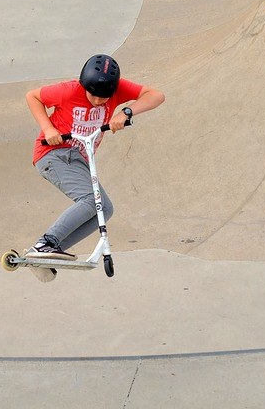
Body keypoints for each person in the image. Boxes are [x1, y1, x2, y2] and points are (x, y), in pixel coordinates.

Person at [23, 54, 165, 281]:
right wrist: (48, 128)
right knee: (90, 200)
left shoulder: (118, 90)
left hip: (79, 159)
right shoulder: (69, 90)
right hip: (54, 154)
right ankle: (46, 243)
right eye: (93, 96)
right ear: (84, 86)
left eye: (104, 98)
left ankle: (49, 254)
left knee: (105, 209)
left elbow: (156, 95)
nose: (98, 101)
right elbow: (32, 96)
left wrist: (126, 112)